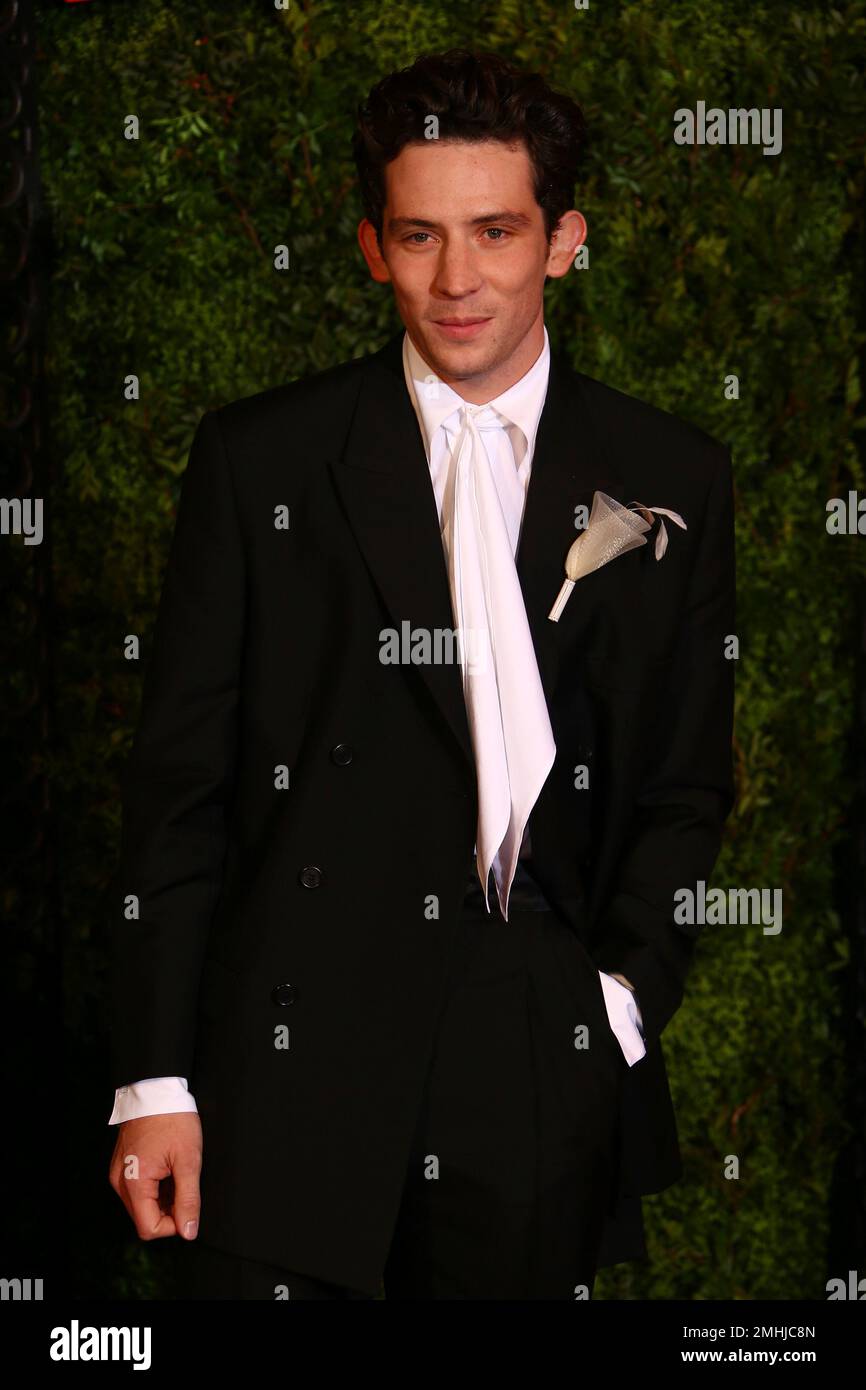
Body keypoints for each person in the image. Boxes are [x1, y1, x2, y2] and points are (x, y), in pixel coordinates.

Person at [107, 47, 735, 1300]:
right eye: (417, 237)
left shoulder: (671, 471)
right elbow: (178, 792)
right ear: (369, 246)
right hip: (290, 1056)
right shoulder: (260, 462)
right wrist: (155, 1081)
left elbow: (681, 783)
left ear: (562, 241)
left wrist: (608, 1006)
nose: (456, 282)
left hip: (532, 1048)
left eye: (495, 232)